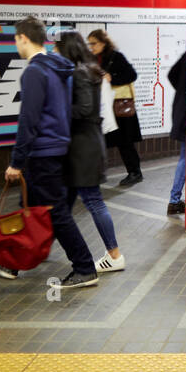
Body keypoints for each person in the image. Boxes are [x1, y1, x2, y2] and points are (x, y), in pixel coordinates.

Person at [0, 16, 98, 288]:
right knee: (30, 209)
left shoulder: (34, 71)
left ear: (23, 38)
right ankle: (11, 263)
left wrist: (16, 161)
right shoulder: (60, 68)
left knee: (55, 213)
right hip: (57, 147)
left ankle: (84, 267)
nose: (15, 44)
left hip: (42, 152)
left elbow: (29, 119)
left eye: (15, 39)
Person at [57, 31, 123, 272]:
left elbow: (84, 109)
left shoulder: (81, 73)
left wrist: (57, 108)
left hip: (84, 149)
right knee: (60, 207)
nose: (54, 53)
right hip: (83, 146)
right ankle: (35, 252)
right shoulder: (89, 70)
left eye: (57, 49)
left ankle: (114, 255)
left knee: (93, 201)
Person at [87, 29, 143, 186]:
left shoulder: (116, 57)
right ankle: (94, 173)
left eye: (94, 43)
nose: (91, 46)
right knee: (99, 140)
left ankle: (135, 172)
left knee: (124, 141)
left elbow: (132, 75)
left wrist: (113, 78)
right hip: (103, 106)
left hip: (119, 106)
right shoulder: (92, 59)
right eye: (89, 43)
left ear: (103, 43)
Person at [166, 49, 186, 215]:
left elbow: (171, 74)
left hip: (181, 110)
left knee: (185, 155)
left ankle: (175, 201)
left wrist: (182, 90)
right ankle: (174, 201)